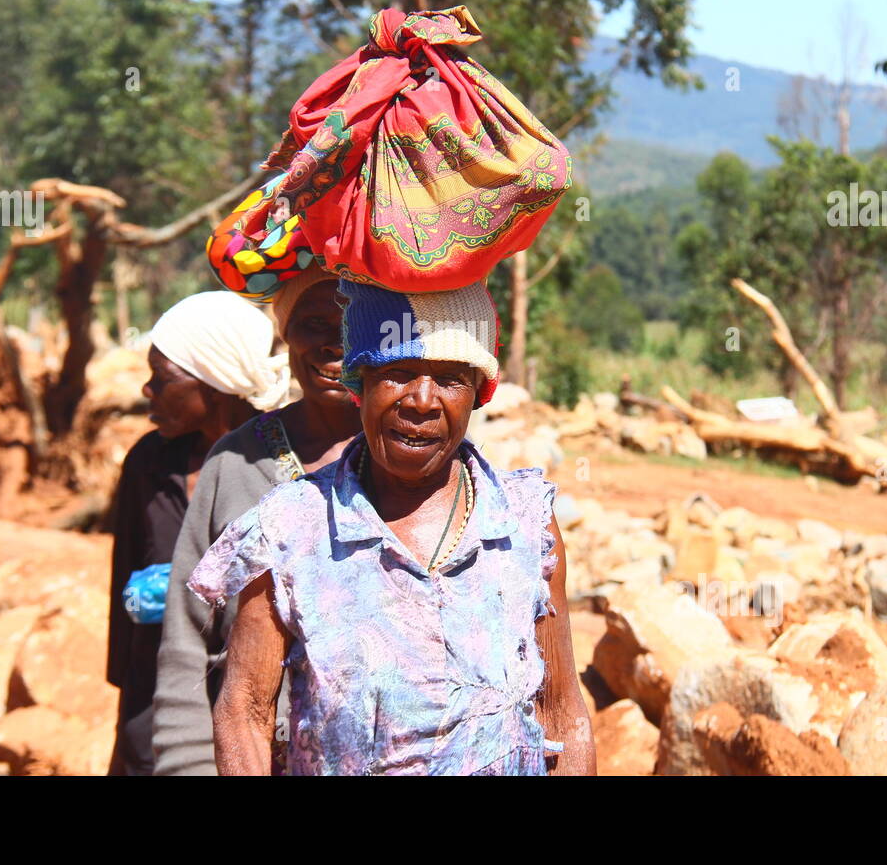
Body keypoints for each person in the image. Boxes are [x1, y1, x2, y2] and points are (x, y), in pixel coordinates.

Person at [187, 280, 596, 775]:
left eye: (449, 379)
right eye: (397, 373)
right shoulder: (290, 526)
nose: (421, 400)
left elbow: (561, 708)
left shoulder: (527, 521)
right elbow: (245, 712)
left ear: (477, 395)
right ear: (359, 383)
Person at [150, 263, 362, 775]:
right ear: (284, 334)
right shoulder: (236, 463)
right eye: (313, 324)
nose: (333, 345)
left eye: (352, 325)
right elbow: (186, 639)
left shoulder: (414, 462)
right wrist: (187, 765)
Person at [106, 291, 290, 776]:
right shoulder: (150, 463)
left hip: (257, 708)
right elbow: (122, 576)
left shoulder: (282, 467)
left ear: (214, 382)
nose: (148, 391)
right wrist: (127, 723)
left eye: (162, 379)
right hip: (160, 693)